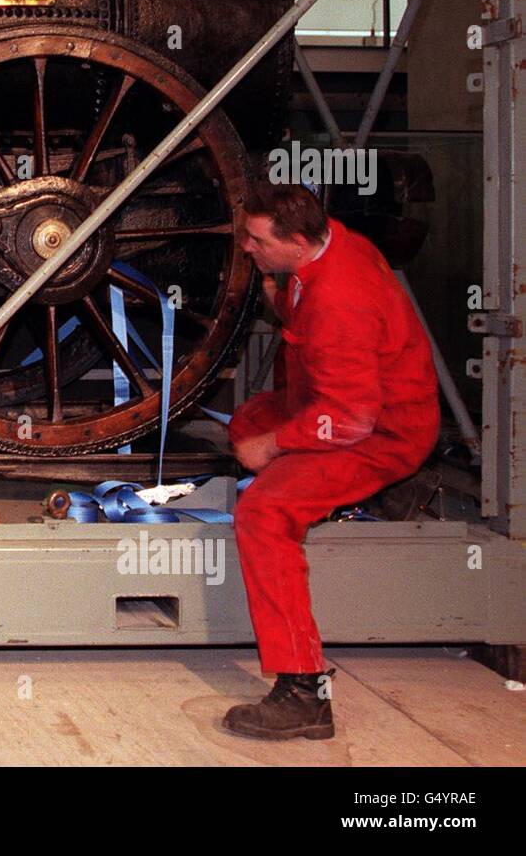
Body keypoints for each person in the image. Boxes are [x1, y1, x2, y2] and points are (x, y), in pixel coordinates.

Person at [223, 182, 439, 740]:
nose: (246, 247)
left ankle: (303, 691)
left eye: (256, 239)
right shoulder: (334, 242)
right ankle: (360, 493)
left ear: (296, 241)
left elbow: (349, 419)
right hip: (327, 399)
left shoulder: (342, 298)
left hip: (379, 431)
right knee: (245, 421)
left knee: (263, 514)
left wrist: (272, 449)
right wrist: (281, 297)